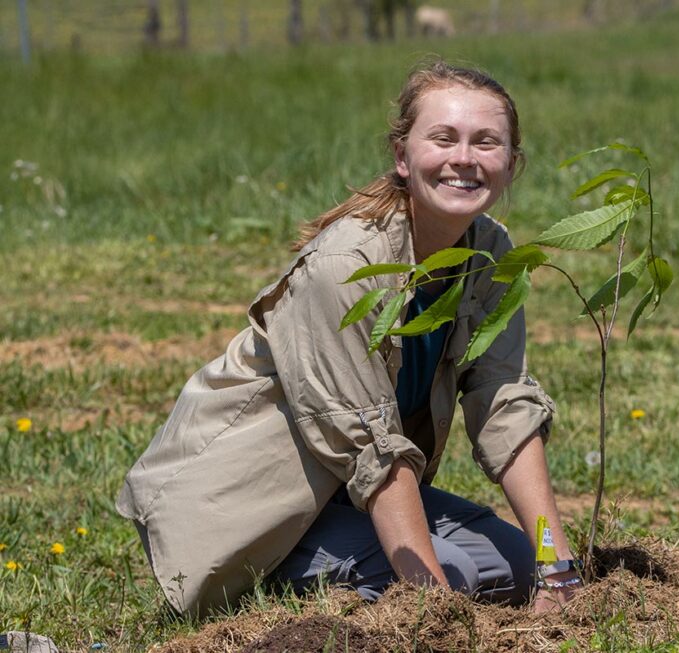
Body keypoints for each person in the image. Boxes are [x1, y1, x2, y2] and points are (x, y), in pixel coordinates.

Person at [116, 61, 582, 617]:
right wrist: (432, 615)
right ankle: (275, 605)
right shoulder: (346, 265)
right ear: (402, 157)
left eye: (487, 142)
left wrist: (557, 569)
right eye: (443, 138)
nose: (465, 158)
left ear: (511, 163)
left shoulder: (490, 254)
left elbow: (503, 402)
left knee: (519, 567)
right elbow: (373, 448)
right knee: (445, 578)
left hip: (345, 496)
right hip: (248, 509)